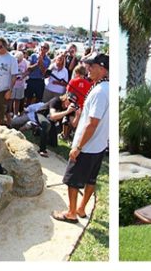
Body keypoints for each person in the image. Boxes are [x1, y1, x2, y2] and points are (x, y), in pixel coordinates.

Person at [53, 53, 109, 223]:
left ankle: (71, 213)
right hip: (99, 145)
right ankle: (81, 209)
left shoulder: (100, 91)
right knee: (91, 179)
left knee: (72, 180)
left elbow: (92, 123)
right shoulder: (107, 88)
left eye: (92, 66)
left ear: (102, 69)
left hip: (87, 145)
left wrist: (78, 147)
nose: (88, 69)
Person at [12, 50, 29, 116]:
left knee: (17, 100)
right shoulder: (13, 61)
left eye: (19, 60)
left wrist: (23, 76)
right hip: (12, 84)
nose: (18, 61)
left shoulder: (25, 62)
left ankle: (15, 114)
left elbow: (27, 71)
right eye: (17, 60)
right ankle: (9, 113)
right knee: (10, 99)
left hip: (20, 84)